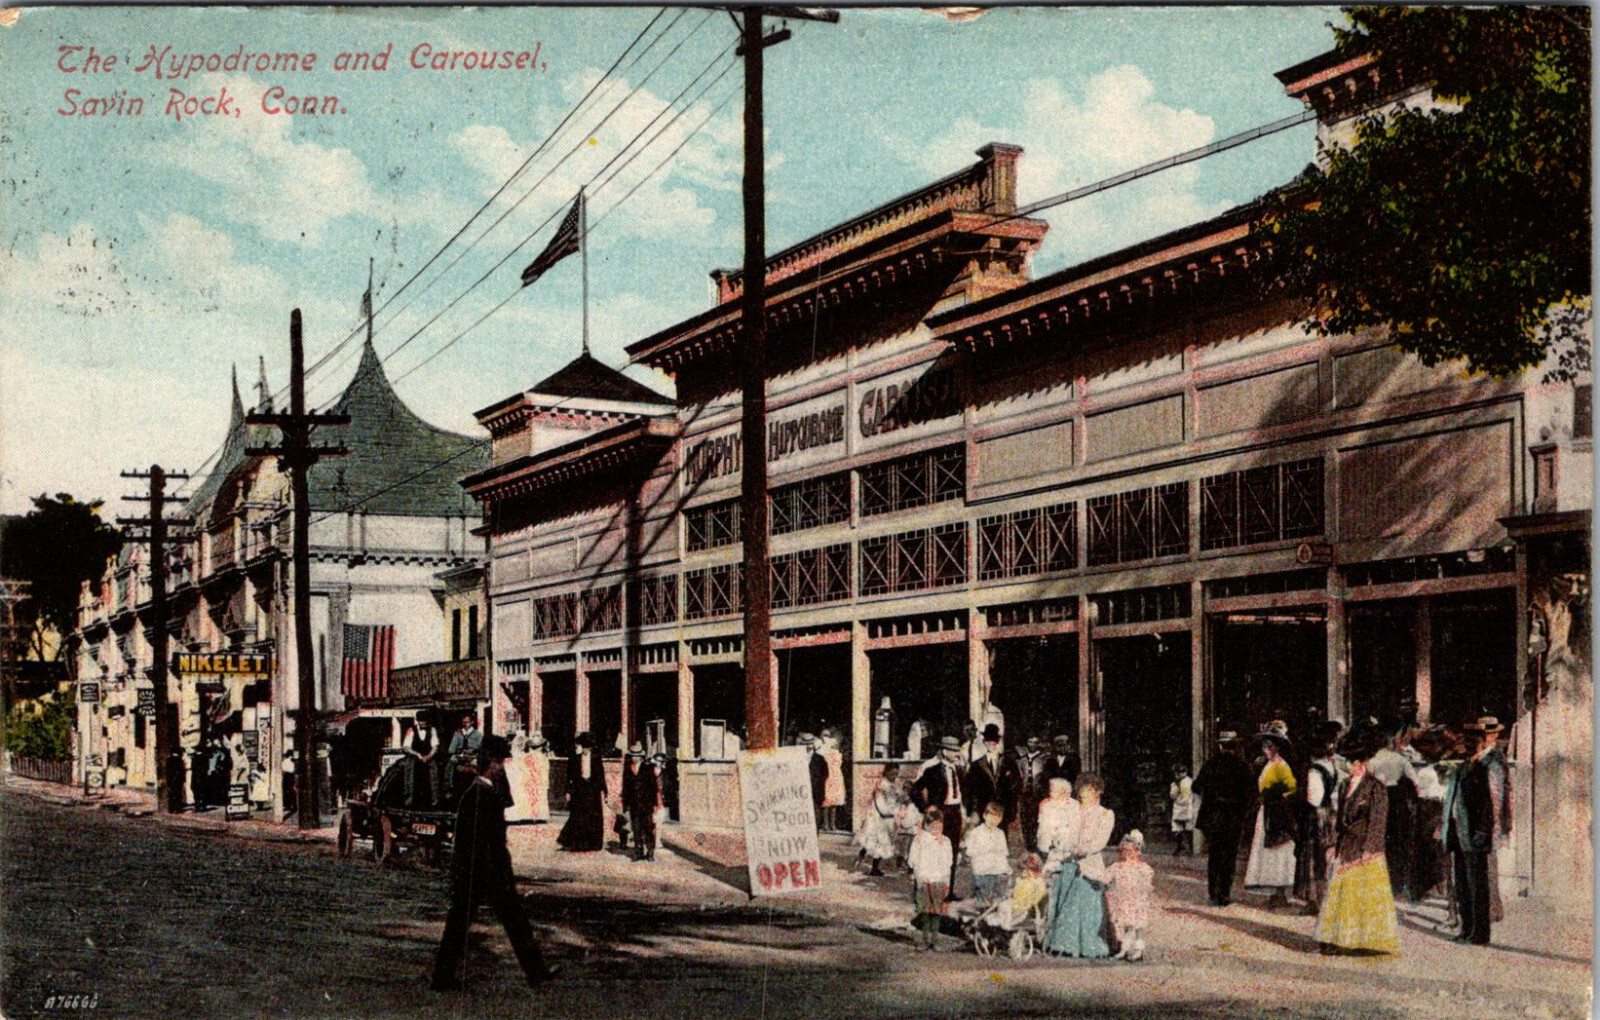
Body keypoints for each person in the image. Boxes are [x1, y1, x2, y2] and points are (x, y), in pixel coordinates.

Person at [431, 734, 560, 991]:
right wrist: (502, 875)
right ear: (491, 764)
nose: (502, 767)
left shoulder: (476, 794)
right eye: (500, 762)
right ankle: (536, 972)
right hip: (485, 873)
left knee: (466, 924)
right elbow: (488, 844)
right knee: (507, 922)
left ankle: (536, 972)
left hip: (474, 872)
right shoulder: (483, 796)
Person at [1314, 727, 1399, 955]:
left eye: (1359, 762)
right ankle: (1337, 938)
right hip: (1346, 845)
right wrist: (1331, 844)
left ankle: (1367, 941)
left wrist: (1370, 849)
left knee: (1364, 896)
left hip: (1364, 848)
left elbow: (1378, 821)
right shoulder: (1343, 786)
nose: (1355, 766)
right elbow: (1336, 819)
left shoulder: (1375, 788)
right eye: (1351, 762)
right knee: (1340, 894)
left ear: (1366, 763)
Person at [1042, 773, 1115, 958]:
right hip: (1069, 860)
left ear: (1098, 792)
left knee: (1083, 903)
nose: (1084, 794)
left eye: (1089, 790)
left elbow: (1100, 841)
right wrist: (1064, 846)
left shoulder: (1105, 814)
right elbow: (1066, 834)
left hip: (1089, 863)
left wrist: (1083, 850)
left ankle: (1083, 944)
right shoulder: (1075, 811)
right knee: (1063, 900)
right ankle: (1061, 943)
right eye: (1082, 790)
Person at [1442, 718, 1499, 946]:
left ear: (1483, 743)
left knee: (1478, 888)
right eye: (1467, 741)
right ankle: (1466, 929)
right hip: (1458, 833)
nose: (1469, 745)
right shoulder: (1462, 767)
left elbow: (1489, 806)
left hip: (1474, 835)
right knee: (1462, 885)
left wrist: (1483, 833)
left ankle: (1480, 934)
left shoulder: (1484, 770)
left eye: (1474, 742)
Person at [1193, 731, 1254, 907]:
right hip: (1234, 817)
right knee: (1229, 857)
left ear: (1220, 745)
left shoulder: (1211, 764)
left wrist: (1211, 794)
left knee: (1215, 856)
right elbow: (1250, 792)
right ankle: (1224, 895)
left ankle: (1213, 893)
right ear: (1235, 747)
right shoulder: (1242, 766)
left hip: (1213, 817)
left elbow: (1196, 787)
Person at [1368, 718, 1421, 902]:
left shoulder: (1373, 760)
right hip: (1397, 803)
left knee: (1380, 842)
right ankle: (1396, 887)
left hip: (1378, 803)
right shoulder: (1400, 760)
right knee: (1397, 845)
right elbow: (1416, 783)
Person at [1243, 730, 1297, 909]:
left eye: (1270, 746)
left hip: (1277, 811)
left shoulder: (1281, 765)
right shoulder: (1267, 764)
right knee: (1267, 848)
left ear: (1277, 747)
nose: (1266, 750)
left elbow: (1290, 789)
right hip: (1266, 809)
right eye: (1264, 746)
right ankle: (1276, 891)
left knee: (1279, 849)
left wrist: (1275, 797)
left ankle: (1280, 891)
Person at [911, 736, 967, 897]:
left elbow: (965, 793)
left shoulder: (959, 770)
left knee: (951, 852)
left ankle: (948, 891)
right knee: (932, 851)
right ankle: (924, 891)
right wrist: (927, 808)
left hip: (955, 813)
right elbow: (914, 790)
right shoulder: (932, 769)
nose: (956, 753)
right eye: (953, 751)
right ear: (944, 751)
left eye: (957, 750)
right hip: (939, 814)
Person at [1295, 723, 1342, 915]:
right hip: (1331, 813)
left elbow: (1313, 799)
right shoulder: (1332, 766)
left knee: (1317, 858)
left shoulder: (1315, 770)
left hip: (1318, 817)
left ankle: (1320, 902)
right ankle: (1317, 900)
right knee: (1325, 859)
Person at [907, 806, 953, 951]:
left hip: (939, 880)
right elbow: (912, 859)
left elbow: (949, 862)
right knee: (925, 911)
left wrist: (946, 881)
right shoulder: (920, 840)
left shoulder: (946, 841)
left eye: (940, 825)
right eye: (933, 826)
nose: (937, 828)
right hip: (924, 880)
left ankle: (935, 940)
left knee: (936, 913)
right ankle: (925, 939)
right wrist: (917, 874)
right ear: (926, 826)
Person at [1106, 830, 1155, 961]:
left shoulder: (1142, 868)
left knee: (1137, 927)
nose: (1127, 854)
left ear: (1137, 852)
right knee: (1127, 926)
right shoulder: (1118, 867)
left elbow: (1147, 883)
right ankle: (1125, 949)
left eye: (1131, 851)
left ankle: (1138, 950)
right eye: (1124, 851)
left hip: (1137, 901)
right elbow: (1105, 877)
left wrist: (1144, 890)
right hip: (1124, 901)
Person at [557, 732, 605, 852]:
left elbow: (601, 775)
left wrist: (605, 791)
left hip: (593, 791)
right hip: (579, 790)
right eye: (584, 747)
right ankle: (578, 844)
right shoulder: (574, 759)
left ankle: (594, 844)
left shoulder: (596, 758)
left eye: (588, 748)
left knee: (593, 817)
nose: (586, 750)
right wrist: (567, 791)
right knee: (578, 816)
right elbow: (569, 776)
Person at [964, 724, 1018, 831]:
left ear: (998, 742)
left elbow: (1015, 787)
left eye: (994, 741)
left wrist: (1012, 810)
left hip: (1003, 811)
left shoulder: (1009, 763)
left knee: (1001, 838)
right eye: (988, 741)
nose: (991, 744)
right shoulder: (976, 765)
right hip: (983, 811)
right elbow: (968, 790)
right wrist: (971, 811)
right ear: (984, 742)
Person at [856, 764, 901, 876]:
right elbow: (881, 805)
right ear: (886, 773)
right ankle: (874, 867)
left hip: (883, 818)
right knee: (880, 843)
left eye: (896, 774)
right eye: (892, 774)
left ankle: (864, 856)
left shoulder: (890, 785)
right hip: (880, 819)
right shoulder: (883, 786)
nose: (894, 776)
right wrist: (890, 813)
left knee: (877, 842)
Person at [964, 802, 1010, 907]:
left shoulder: (1000, 833)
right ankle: (982, 906)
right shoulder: (976, 833)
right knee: (983, 900)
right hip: (982, 871)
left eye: (997, 818)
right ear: (984, 815)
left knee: (998, 898)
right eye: (991, 817)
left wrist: (1006, 870)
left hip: (997, 871)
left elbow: (1003, 854)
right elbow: (970, 852)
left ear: (1000, 820)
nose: (993, 821)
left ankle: (995, 908)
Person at [1015, 736, 1048, 852]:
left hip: (1038, 795)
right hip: (1025, 795)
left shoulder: (1043, 759)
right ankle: (1028, 846)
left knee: (1037, 819)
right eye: (1030, 742)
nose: (1032, 745)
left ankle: (1036, 846)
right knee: (1025, 820)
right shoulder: (1021, 760)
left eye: (1035, 742)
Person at [629, 749, 662, 861]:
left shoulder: (647, 768)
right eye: (633, 755)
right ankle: (638, 852)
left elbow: (653, 787)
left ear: (641, 756)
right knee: (636, 829)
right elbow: (626, 787)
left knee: (648, 828)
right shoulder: (628, 768)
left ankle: (650, 852)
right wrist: (626, 804)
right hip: (634, 804)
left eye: (637, 755)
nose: (634, 758)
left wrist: (654, 804)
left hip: (646, 805)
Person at [401, 716, 438, 808]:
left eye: (424, 721)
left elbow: (435, 746)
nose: (423, 723)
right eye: (421, 721)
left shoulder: (432, 729)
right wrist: (418, 755)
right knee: (409, 767)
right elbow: (406, 747)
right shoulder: (411, 730)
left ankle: (434, 799)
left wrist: (429, 756)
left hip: (428, 755)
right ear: (417, 721)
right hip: (415, 755)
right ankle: (409, 797)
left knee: (433, 770)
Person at [820, 729, 847, 833]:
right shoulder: (825, 750)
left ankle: (832, 824)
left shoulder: (837, 751)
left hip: (836, 776)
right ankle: (826, 824)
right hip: (829, 775)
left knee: (834, 802)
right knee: (827, 801)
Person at [1169, 765, 1197, 857]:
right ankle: (1185, 847)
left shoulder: (1178, 783)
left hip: (1181, 806)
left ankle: (1183, 847)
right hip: (1186, 807)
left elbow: (1173, 795)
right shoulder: (1189, 781)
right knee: (1185, 828)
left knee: (1180, 828)